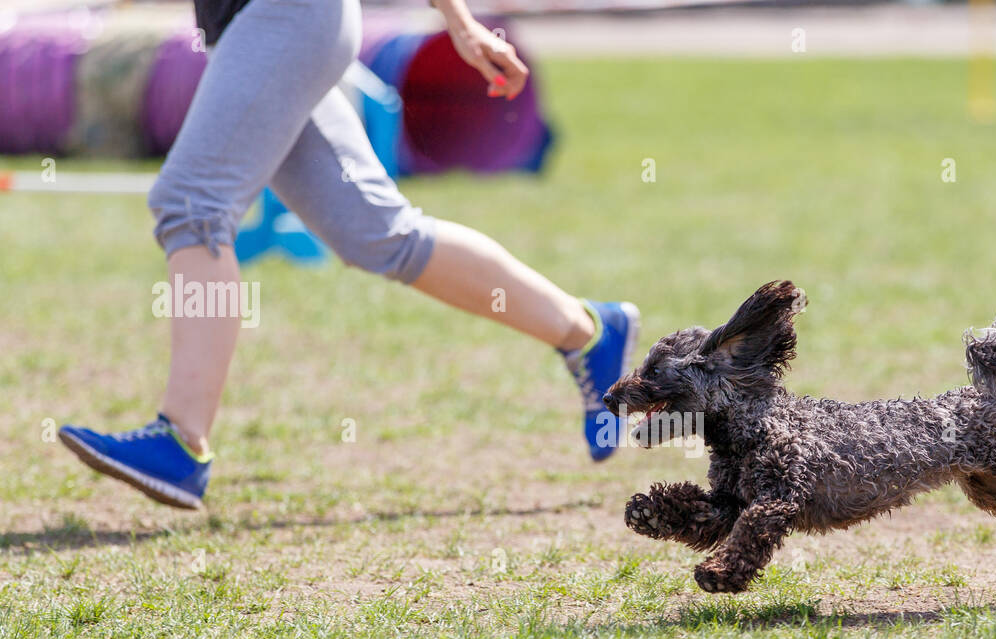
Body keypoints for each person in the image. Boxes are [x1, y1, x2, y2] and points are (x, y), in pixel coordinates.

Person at [58, 0, 637, 510]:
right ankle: (587, 332)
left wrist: (459, 22)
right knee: (377, 232)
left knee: (191, 203)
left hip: (286, 18)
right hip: (257, 29)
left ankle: (181, 439)